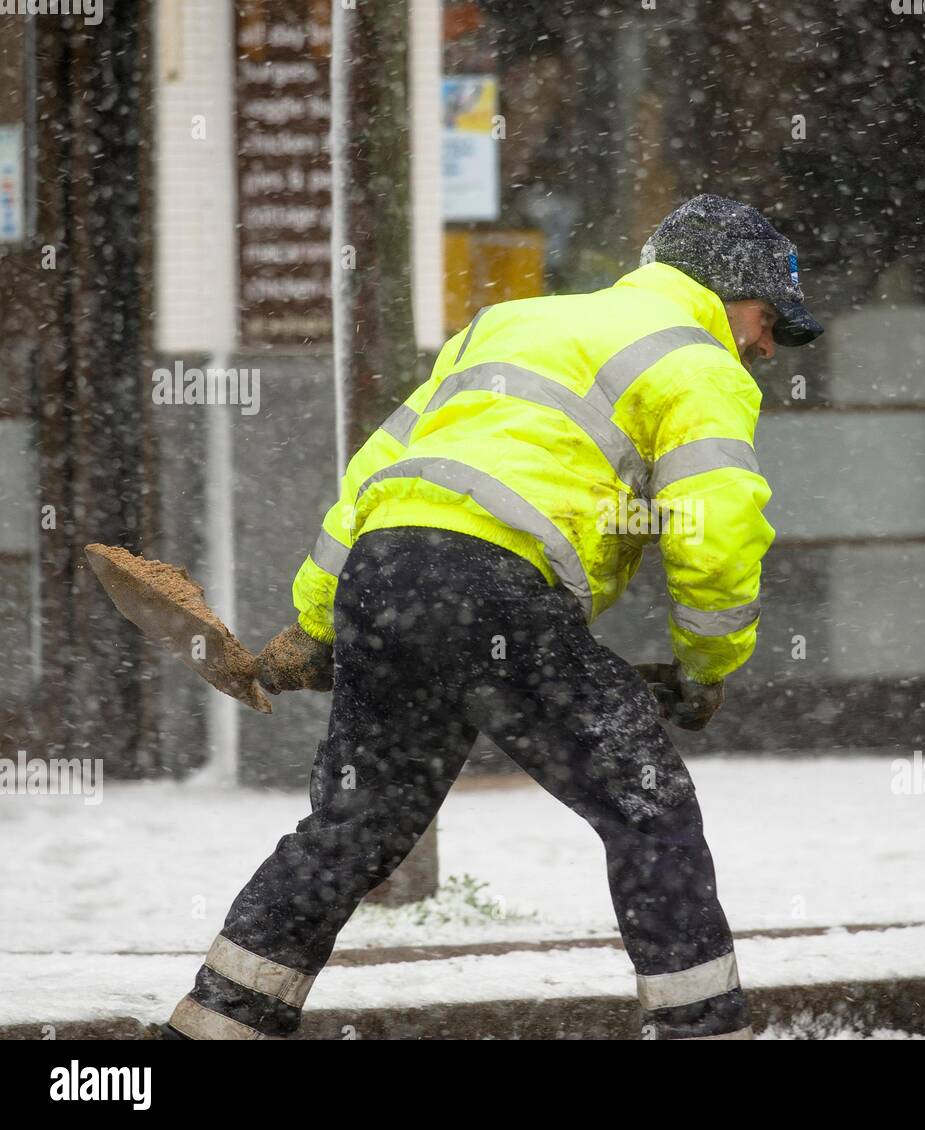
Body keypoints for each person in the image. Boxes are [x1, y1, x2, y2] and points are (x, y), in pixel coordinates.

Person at [163, 194, 823, 1041]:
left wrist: (318, 623)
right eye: (768, 318)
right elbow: (716, 530)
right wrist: (707, 665)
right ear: (725, 290)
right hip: (500, 586)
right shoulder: (698, 362)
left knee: (356, 824)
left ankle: (214, 1029)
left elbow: (376, 474)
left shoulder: (506, 323)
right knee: (648, 806)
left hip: (387, 569)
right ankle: (707, 1032)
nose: (766, 344)